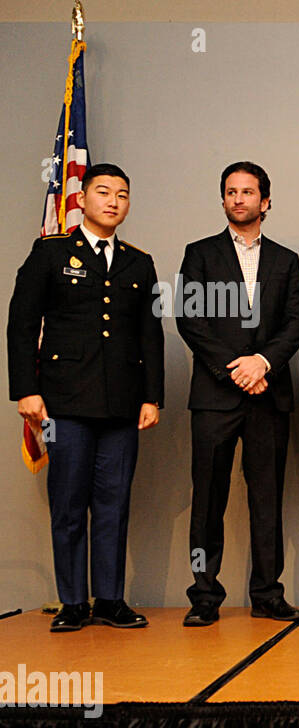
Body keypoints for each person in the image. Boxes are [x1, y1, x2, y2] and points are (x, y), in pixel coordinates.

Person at [6, 163, 163, 631]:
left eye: (122, 194)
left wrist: (152, 396)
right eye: (104, 192)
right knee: (69, 503)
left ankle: (110, 600)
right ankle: (73, 602)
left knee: (114, 504)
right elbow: (21, 324)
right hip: (63, 403)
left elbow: (150, 334)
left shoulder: (139, 262)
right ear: (82, 198)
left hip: (122, 404)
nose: (113, 201)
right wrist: (26, 389)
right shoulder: (51, 252)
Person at [176, 161, 299, 626]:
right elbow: (190, 318)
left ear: (265, 201)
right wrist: (237, 368)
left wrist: (263, 363)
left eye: (248, 192)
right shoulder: (200, 254)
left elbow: (296, 322)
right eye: (231, 191)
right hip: (215, 396)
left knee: (267, 500)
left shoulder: (286, 260)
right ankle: (203, 597)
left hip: (268, 395)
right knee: (207, 500)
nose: (238, 198)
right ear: (223, 200)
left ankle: (268, 595)